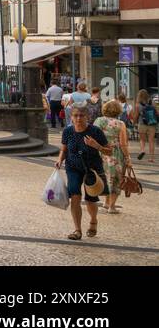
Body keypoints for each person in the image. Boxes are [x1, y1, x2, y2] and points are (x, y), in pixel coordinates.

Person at [56, 103, 113, 240]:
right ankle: (77, 230)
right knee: (74, 196)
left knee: (90, 199)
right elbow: (64, 149)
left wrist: (96, 145)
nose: (79, 118)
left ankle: (93, 220)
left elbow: (109, 151)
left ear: (87, 117)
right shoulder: (68, 131)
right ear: (72, 117)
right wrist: (60, 160)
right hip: (73, 167)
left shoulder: (95, 131)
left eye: (82, 115)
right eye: (76, 115)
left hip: (92, 169)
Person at [94, 100, 131, 215]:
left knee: (105, 178)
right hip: (115, 154)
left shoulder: (99, 121)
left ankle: (106, 202)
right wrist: (128, 157)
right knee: (115, 179)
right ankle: (112, 206)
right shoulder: (120, 124)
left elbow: (93, 137)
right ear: (118, 110)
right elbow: (123, 143)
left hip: (101, 153)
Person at [135, 90, 157, 160]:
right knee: (151, 140)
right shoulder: (152, 103)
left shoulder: (138, 105)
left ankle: (142, 150)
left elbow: (136, 116)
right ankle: (151, 158)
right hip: (152, 123)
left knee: (142, 140)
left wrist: (133, 123)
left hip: (142, 123)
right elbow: (157, 112)